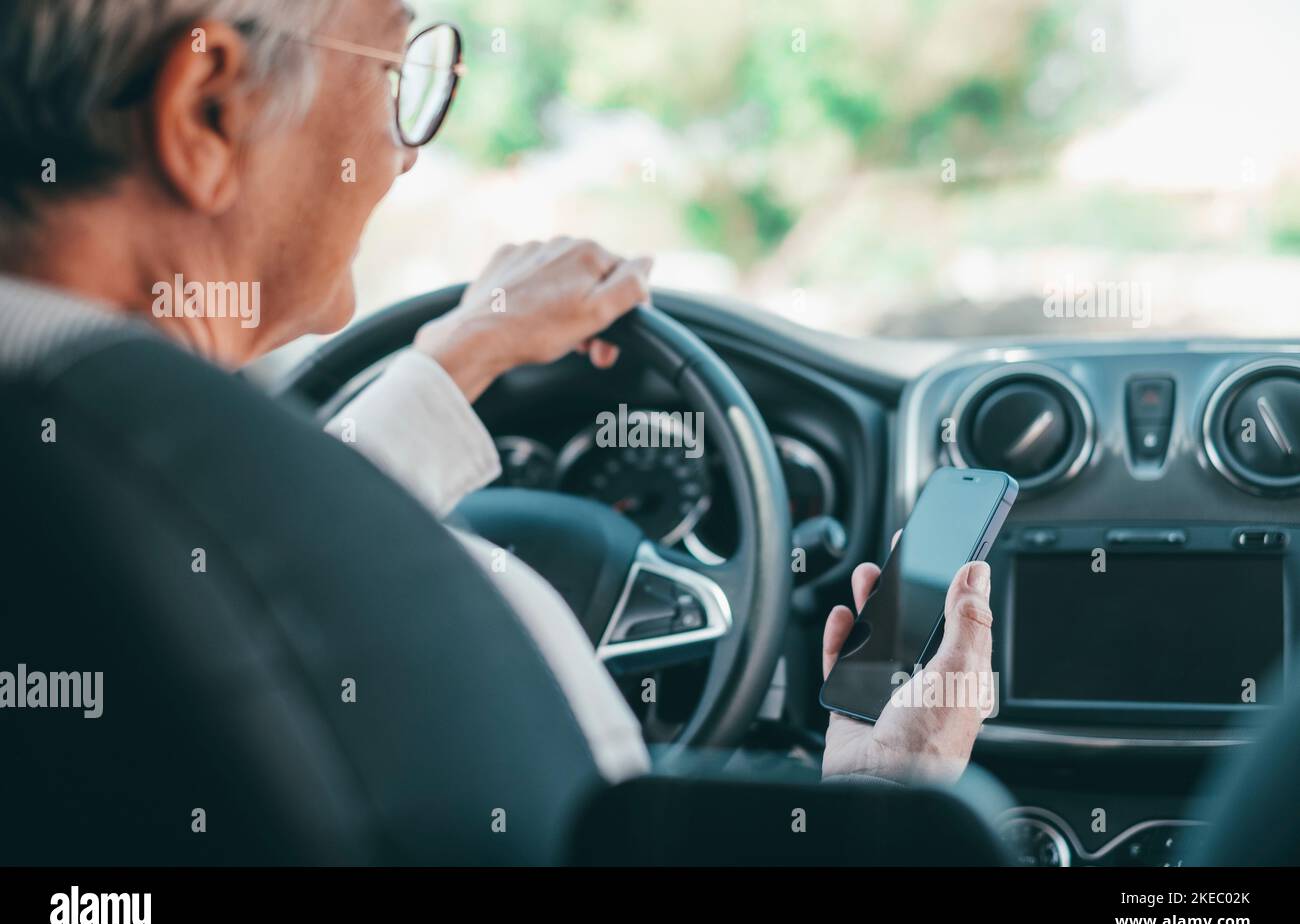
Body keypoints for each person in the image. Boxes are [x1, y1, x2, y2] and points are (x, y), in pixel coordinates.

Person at [0, 0, 994, 798]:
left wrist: (460, 354)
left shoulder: (95, 483)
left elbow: (261, 535)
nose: (407, 152)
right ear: (206, 112)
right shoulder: (467, 645)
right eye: (396, 75)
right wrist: (884, 789)